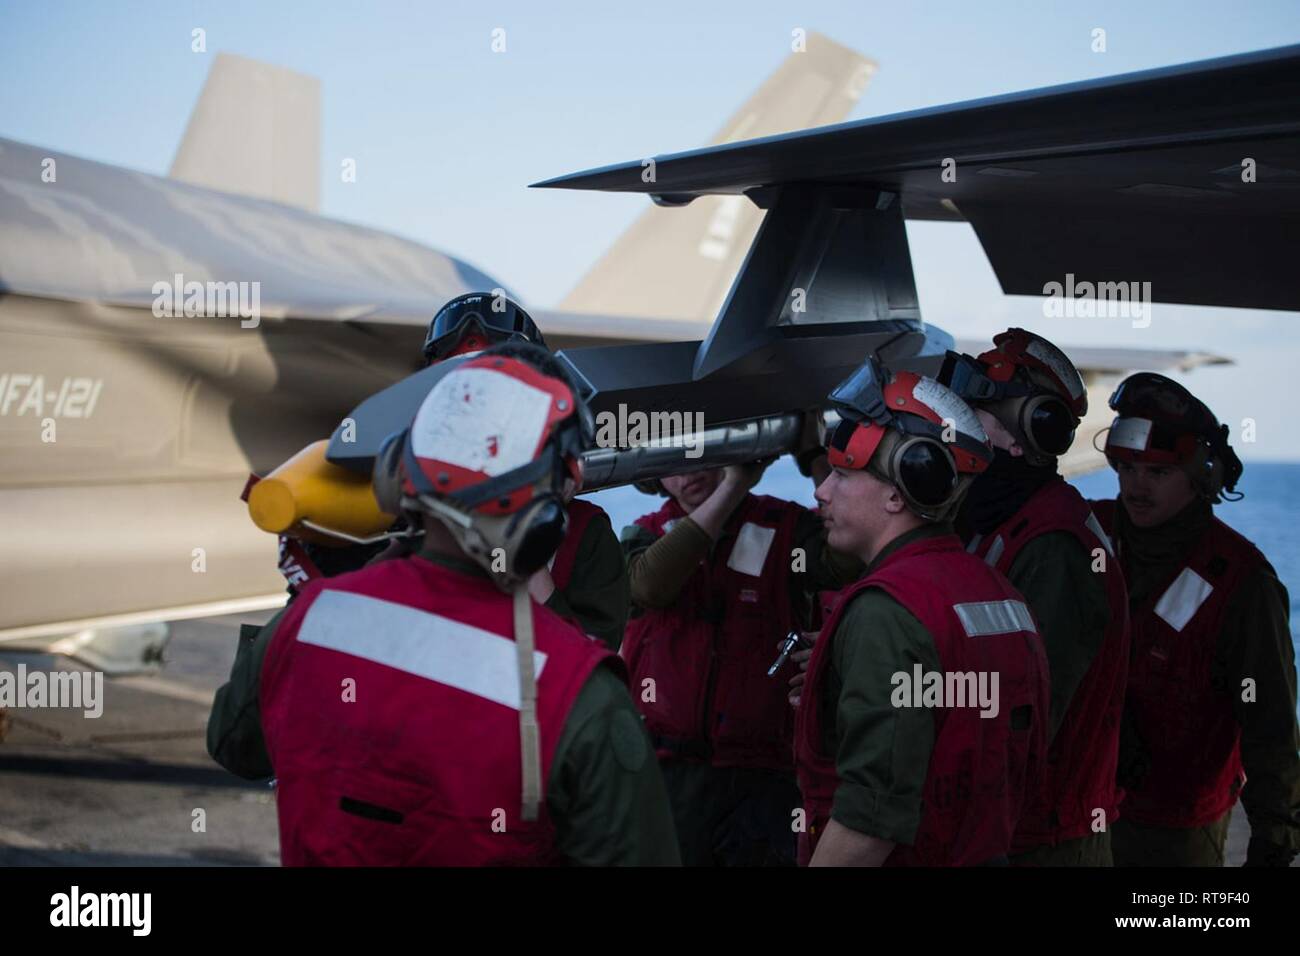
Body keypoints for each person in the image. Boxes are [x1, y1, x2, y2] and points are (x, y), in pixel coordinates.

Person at [208, 344, 678, 865]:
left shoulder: (312, 618)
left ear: (395, 470)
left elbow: (233, 743)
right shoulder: (579, 694)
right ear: (546, 513)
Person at [795, 357, 1050, 866]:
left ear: (901, 489)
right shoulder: (999, 591)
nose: (821, 491)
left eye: (844, 474)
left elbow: (869, 824)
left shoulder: (888, 611)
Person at [273, 292, 629, 651]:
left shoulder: (581, 533)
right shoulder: (380, 515)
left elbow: (588, 664)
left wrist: (531, 535)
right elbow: (306, 642)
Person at [936, 329, 1129, 866]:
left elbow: (1021, 717)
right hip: (1005, 829)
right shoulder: (993, 520)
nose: (961, 430)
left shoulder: (1055, 547)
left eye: (979, 415)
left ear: (1030, 432)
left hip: (1044, 842)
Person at [1095, 372, 1299, 867]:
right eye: (1126, 468)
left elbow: (1269, 719)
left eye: (1158, 473)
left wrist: (1276, 837)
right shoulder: (1087, 534)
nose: (1136, 487)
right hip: (1079, 809)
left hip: (1173, 831)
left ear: (1201, 475)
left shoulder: (1241, 581)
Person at [620, 457, 859, 866]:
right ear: (654, 475)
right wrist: (732, 488)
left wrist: (818, 460)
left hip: (765, 776)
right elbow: (649, 587)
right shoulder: (644, 535)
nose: (688, 472)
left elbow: (846, 560)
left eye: (700, 456)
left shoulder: (785, 526)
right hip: (672, 776)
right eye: (671, 462)